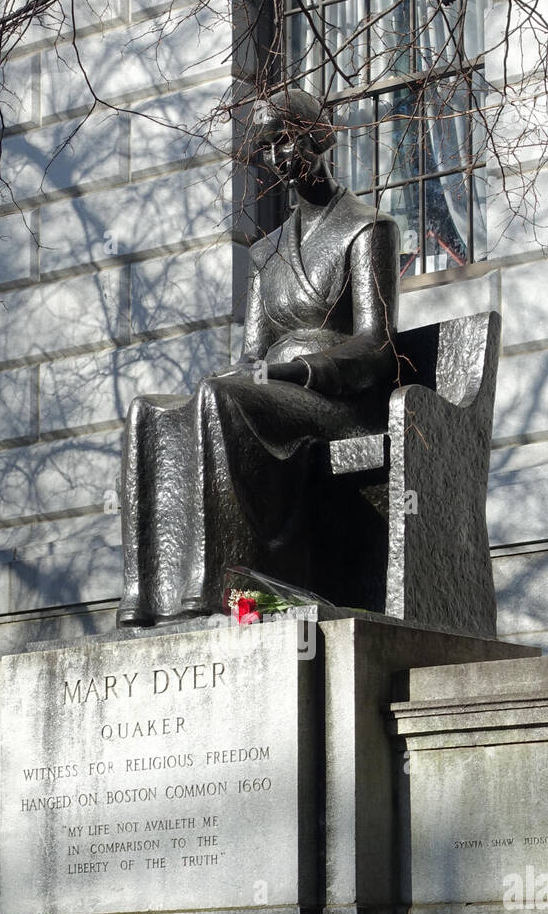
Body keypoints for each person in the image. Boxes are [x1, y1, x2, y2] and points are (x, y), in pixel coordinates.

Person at [117, 88, 401, 627]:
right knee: (147, 413)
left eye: (286, 141)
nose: (277, 159)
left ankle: (223, 582)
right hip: (275, 392)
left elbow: (376, 345)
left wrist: (299, 369)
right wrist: (251, 373)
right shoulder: (266, 251)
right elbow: (251, 354)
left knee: (221, 397)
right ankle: (149, 597)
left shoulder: (368, 228)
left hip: (335, 400)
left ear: (319, 138)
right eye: (267, 148)